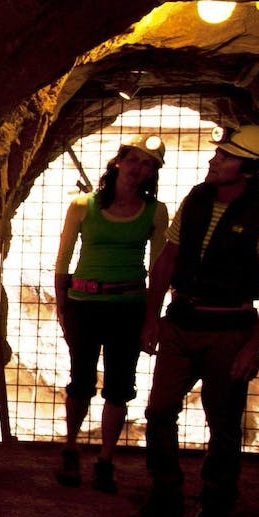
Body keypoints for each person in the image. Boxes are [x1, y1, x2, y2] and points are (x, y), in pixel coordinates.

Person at [127, 124, 259, 517]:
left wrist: (252, 348)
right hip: (183, 322)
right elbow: (168, 258)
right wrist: (152, 316)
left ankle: (216, 501)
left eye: (225, 157)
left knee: (223, 419)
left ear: (250, 169)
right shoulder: (198, 199)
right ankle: (165, 495)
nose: (214, 160)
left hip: (229, 329)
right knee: (159, 410)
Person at [51, 138, 168, 492]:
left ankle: (105, 459)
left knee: (119, 385)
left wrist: (152, 318)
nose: (138, 168)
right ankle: (70, 448)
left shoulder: (155, 212)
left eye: (148, 164)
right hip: (85, 304)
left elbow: (159, 268)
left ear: (154, 173)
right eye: (133, 159)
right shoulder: (82, 206)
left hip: (127, 306)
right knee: (81, 380)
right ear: (118, 162)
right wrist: (62, 307)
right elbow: (63, 261)